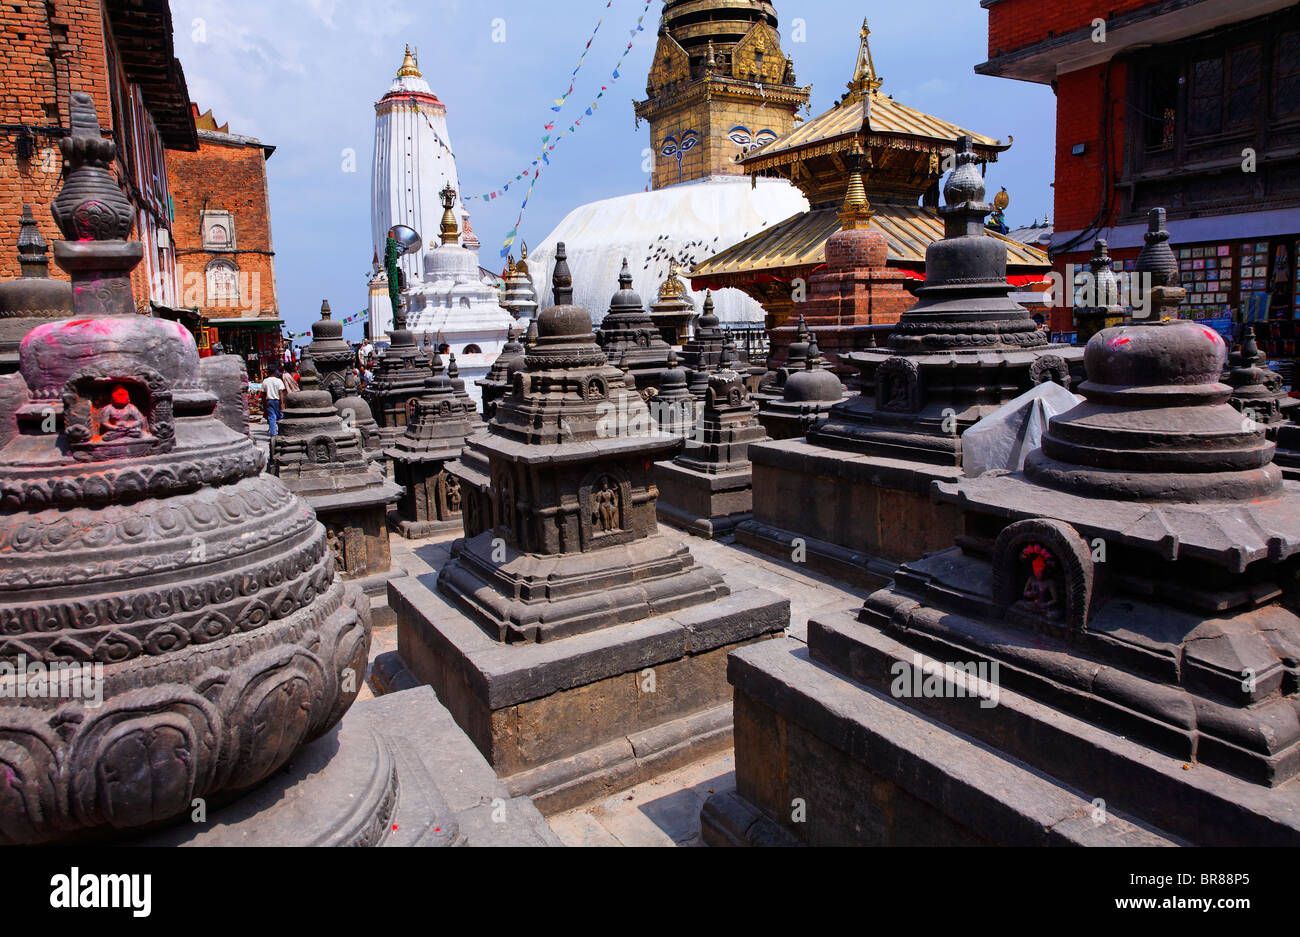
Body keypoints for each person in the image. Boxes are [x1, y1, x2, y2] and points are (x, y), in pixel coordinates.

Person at [263, 368, 286, 437]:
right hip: (277, 401)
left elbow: (263, 393)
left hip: (269, 401)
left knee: (272, 418)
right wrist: (282, 404)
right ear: (275, 372)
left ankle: (273, 435)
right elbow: (281, 393)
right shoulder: (278, 381)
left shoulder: (265, 381)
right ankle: (282, 432)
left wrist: (264, 404)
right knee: (280, 417)